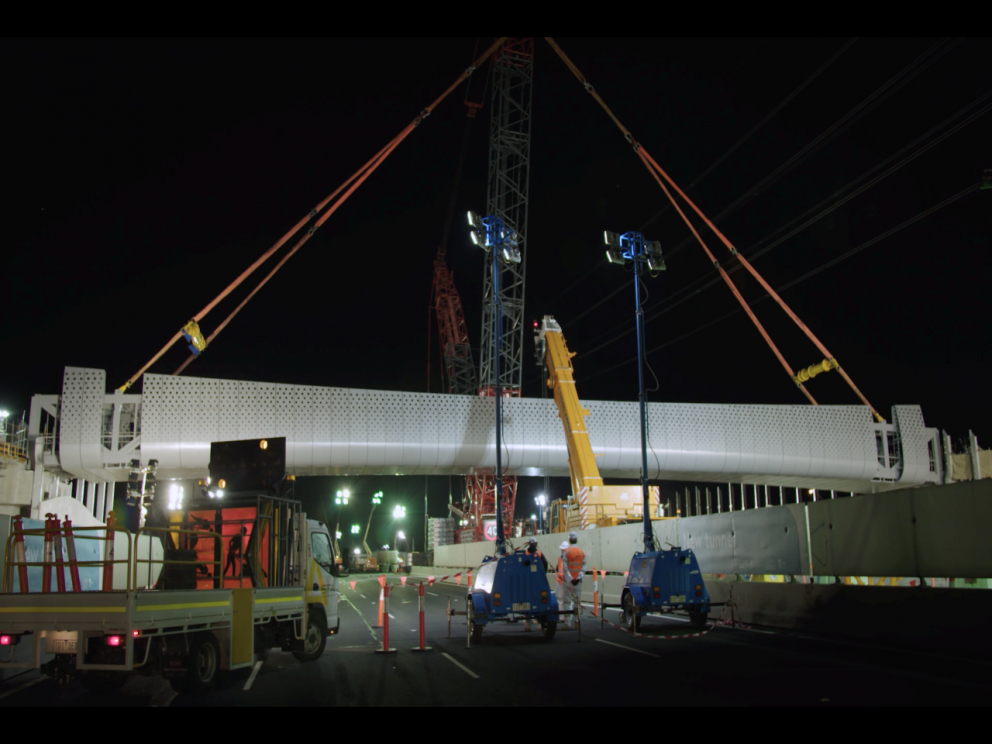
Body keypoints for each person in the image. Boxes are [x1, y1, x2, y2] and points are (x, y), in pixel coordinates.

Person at [522, 537, 548, 632]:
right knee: (538, 602)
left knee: (526, 602)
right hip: (537, 582)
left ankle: (527, 625)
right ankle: (539, 624)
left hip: (526, 582)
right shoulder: (539, 554)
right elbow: (545, 565)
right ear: (536, 544)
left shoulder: (524, 554)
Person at [562, 531, 586, 628]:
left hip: (569, 582)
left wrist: (570, 578)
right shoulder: (581, 552)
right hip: (578, 582)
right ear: (576, 539)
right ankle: (577, 622)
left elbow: (565, 567)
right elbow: (584, 567)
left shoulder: (566, 552)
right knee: (577, 602)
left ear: (569, 540)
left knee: (567, 602)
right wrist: (578, 577)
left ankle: (567, 624)